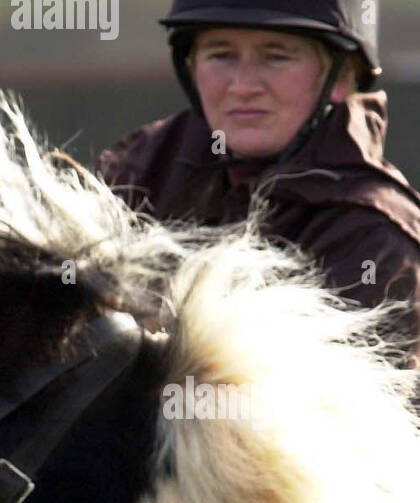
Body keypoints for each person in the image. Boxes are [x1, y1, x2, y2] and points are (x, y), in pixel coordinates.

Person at [99, 0, 420, 368]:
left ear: (342, 75)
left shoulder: (374, 237)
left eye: (276, 56)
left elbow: (354, 418)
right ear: (190, 67)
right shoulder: (134, 175)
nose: (244, 86)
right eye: (221, 55)